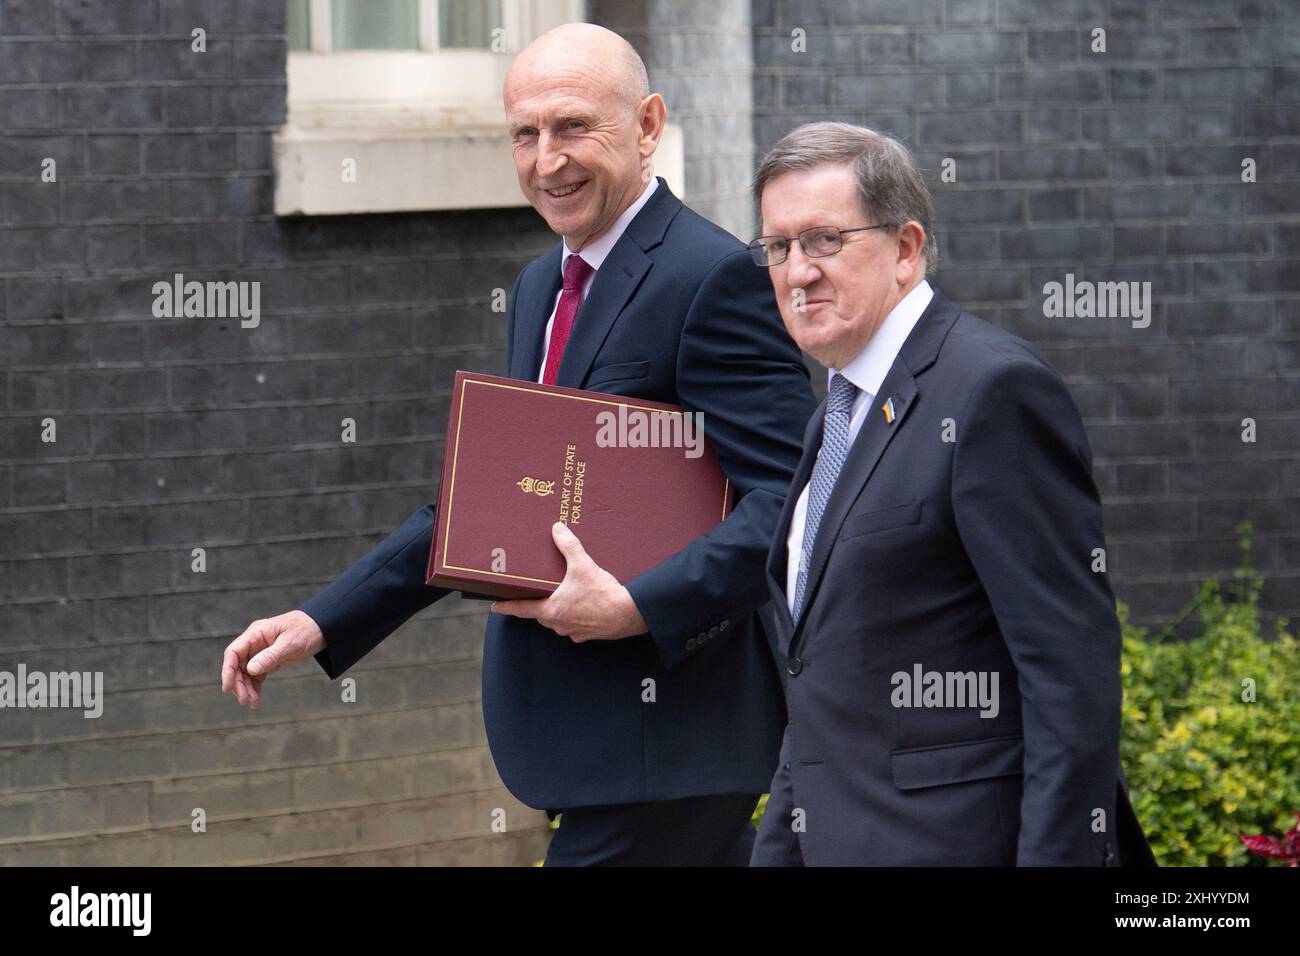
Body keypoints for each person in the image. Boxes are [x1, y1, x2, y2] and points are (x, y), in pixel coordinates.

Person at [221, 23, 816, 866]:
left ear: (648, 125)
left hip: (671, 743)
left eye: (574, 127)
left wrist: (638, 605)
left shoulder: (713, 277)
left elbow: (791, 509)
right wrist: (321, 619)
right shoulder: (543, 283)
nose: (547, 160)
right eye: (524, 135)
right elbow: (488, 500)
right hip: (596, 742)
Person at [746, 121, 1156, 866]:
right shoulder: (837, 414)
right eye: (778, 247)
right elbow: (818, 681)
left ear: (905, 249)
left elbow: (1070, 679)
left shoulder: (992, 392)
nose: (796, 272)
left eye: (824, 241)